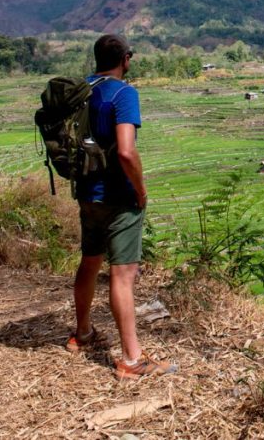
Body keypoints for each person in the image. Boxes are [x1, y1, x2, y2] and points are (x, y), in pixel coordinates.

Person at [65, 34, 176, 380]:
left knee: (89, 261)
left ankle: (82, 334)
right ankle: (131, 359)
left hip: (87, 193)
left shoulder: (81, 89)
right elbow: (126, 151)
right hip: (118, 196)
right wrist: (140, 190)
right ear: (126, 59)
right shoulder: (124, 93)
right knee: (122, 275)